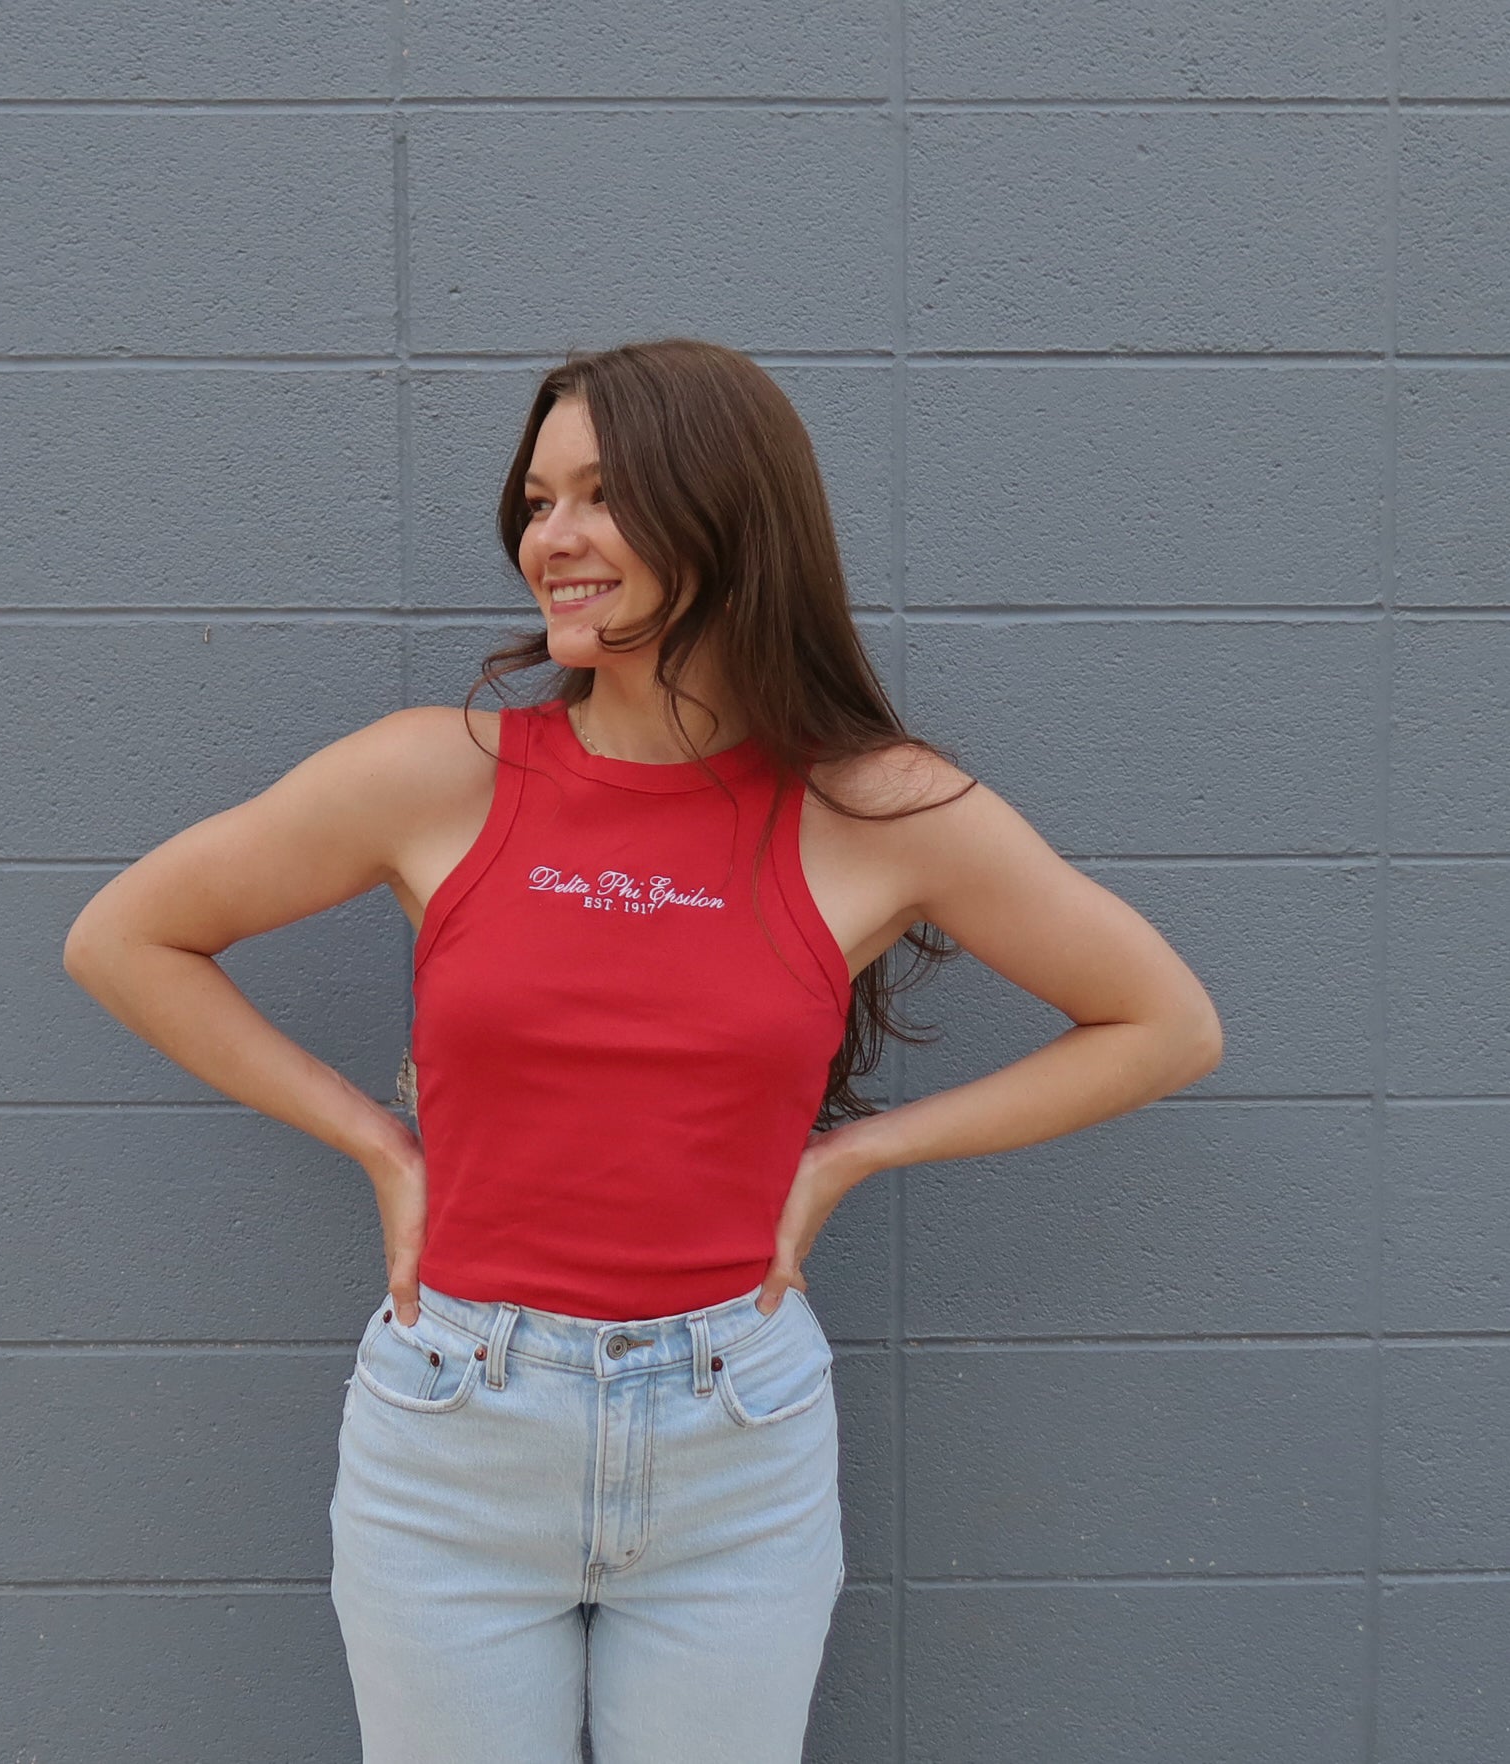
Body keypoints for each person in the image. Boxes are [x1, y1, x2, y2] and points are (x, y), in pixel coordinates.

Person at [62, 336, 1223, 1762]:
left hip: (737, 1435)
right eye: (540, 500)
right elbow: (126, 938)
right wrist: (375, 1141)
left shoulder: (878, 808)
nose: (554, 538)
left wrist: (854, 1155)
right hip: (454, 1436)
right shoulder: (439, 774)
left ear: (727, 517)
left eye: (603, 495)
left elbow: (1163, 1025)